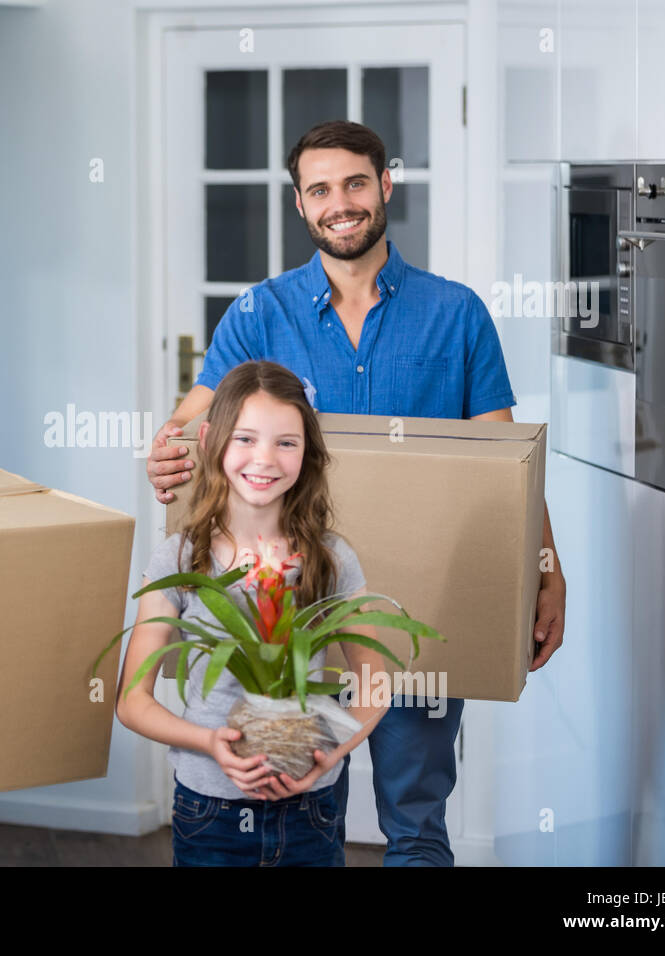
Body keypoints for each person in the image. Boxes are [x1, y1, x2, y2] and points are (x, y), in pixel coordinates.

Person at [146, 121, 568, 866]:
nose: (340, 203)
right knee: (304, 808)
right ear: (301, 205)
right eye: (320, 190)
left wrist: (545, 568)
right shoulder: (258, 314)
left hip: (414, 614)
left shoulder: (456, 311)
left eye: (355, 184)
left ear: (384, 187)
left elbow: (508, 467)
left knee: (415, 819)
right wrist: (171, 447)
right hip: (288, 622)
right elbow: (197, 418)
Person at [117, 360, 390, 866]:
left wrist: (330, 751)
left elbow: (375, 685)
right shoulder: (180, 559)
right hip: (210, 807)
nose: (264, 458)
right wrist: (210, 742)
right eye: (245, 438)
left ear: (307, 454)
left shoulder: (330, 557)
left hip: (311, 805)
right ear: (211, 443)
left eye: (286, 442)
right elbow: (132, 702)